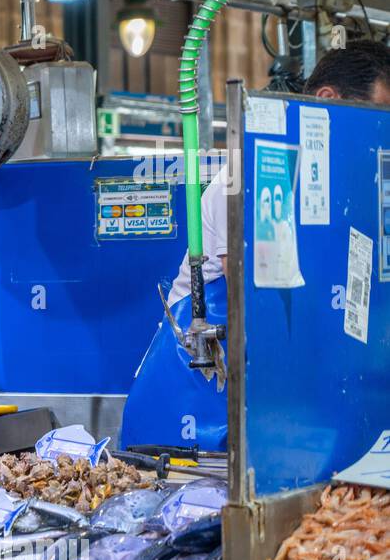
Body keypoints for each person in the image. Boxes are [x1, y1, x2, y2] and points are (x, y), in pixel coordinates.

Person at [121, 39, 390, 451]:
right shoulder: (258, 169)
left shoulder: (333, 187)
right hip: (203, 399)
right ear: (328, 100)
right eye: (375, 115)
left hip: (273, 391)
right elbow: (255, 297)